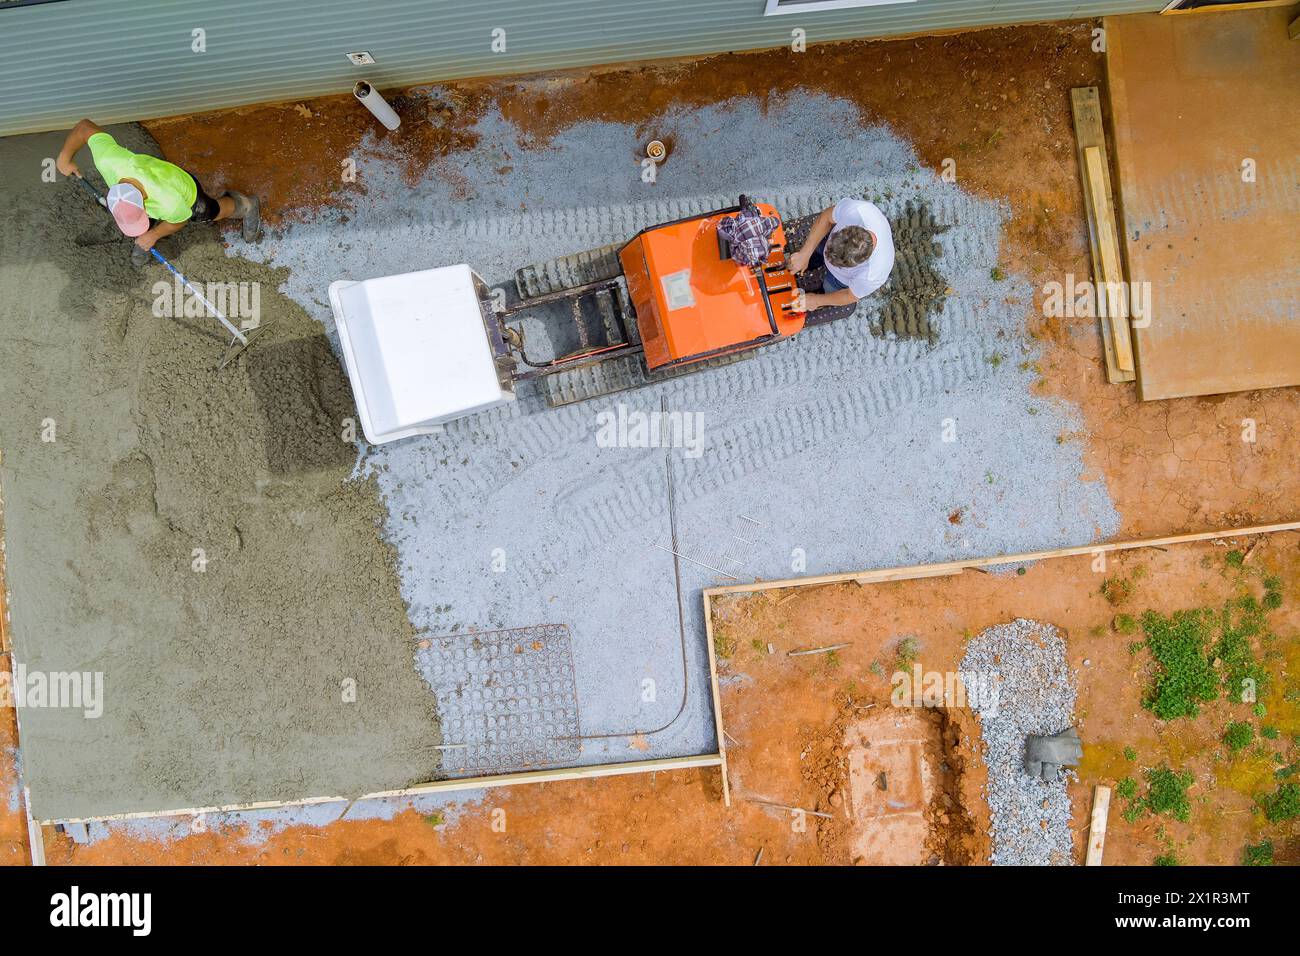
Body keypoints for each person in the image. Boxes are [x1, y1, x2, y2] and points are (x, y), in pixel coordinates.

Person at [56, 118, 261, 262]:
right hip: (153, 182)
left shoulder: (169, 202)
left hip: (185, 191)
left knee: (211, 213)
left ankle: (247, 205)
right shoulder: (108, 160)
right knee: (142, 224)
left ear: (144, 198)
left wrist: (153, 235)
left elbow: (178, 220)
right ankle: (144, 234)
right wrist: (65, 157)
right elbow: (84, 128)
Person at [787, 198, 894, 312]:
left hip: (840, 279)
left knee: (829, 288)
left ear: (858, 263)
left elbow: (850, 296)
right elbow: (826, 218)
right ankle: (811, 261)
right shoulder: (857, 211)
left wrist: (817, 300)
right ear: (847, 229)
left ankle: (823, 291)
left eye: (836, 263)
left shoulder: (872, 275)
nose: (828, 259)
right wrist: (805, 253)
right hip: (832, 245)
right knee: (817, 251)